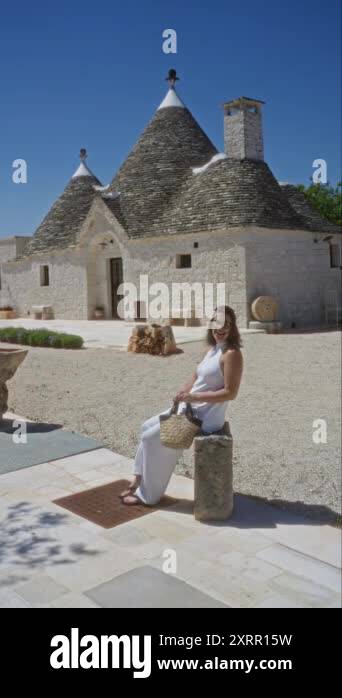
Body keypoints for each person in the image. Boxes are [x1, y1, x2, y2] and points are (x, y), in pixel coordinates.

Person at [120, 306, 243, 506]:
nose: (221, 329)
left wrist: (193, 397)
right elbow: (196, 376)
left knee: (151, 440)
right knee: (146, 427)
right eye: (217, 323)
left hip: (204, 418)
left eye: (226, 324)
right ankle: (139, 478)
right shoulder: (212, 350)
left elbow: (231, 392)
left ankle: (148, 496)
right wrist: (182, 393)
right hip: (190, 409)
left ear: (233, 327)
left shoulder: (232, 354)